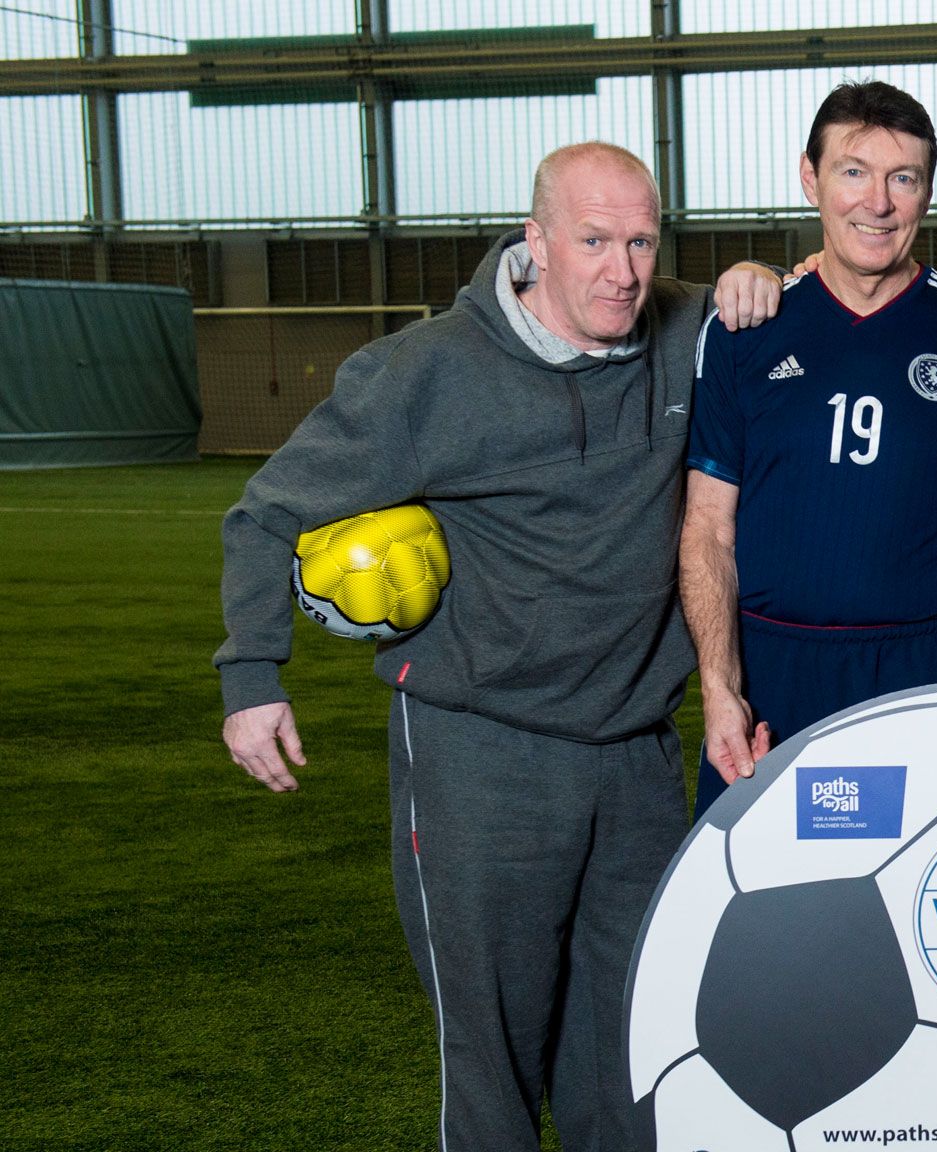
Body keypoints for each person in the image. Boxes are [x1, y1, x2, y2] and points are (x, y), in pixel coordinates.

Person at [215, 142, 787, 1151]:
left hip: (639, 755)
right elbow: (266, 517)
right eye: (595, 241)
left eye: (644, 241)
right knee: (492, 1056)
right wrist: (253, 677)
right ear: (535, 242)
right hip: (482, 753)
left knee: (631, 1046)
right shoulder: (424, 372)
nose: (624, 272)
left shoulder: (684, 333)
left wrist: (762, 282)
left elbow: (792, 313)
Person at [680, 81, 937, 810]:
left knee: (913, 915)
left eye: (902, 178)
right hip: (770, 678)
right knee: (754, 914)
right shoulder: (742, 331)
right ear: (810, 178)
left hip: (921, 671)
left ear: (927, 194)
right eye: (853, 171)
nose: (876, 202)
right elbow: (707, 528)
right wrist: (719, 690)